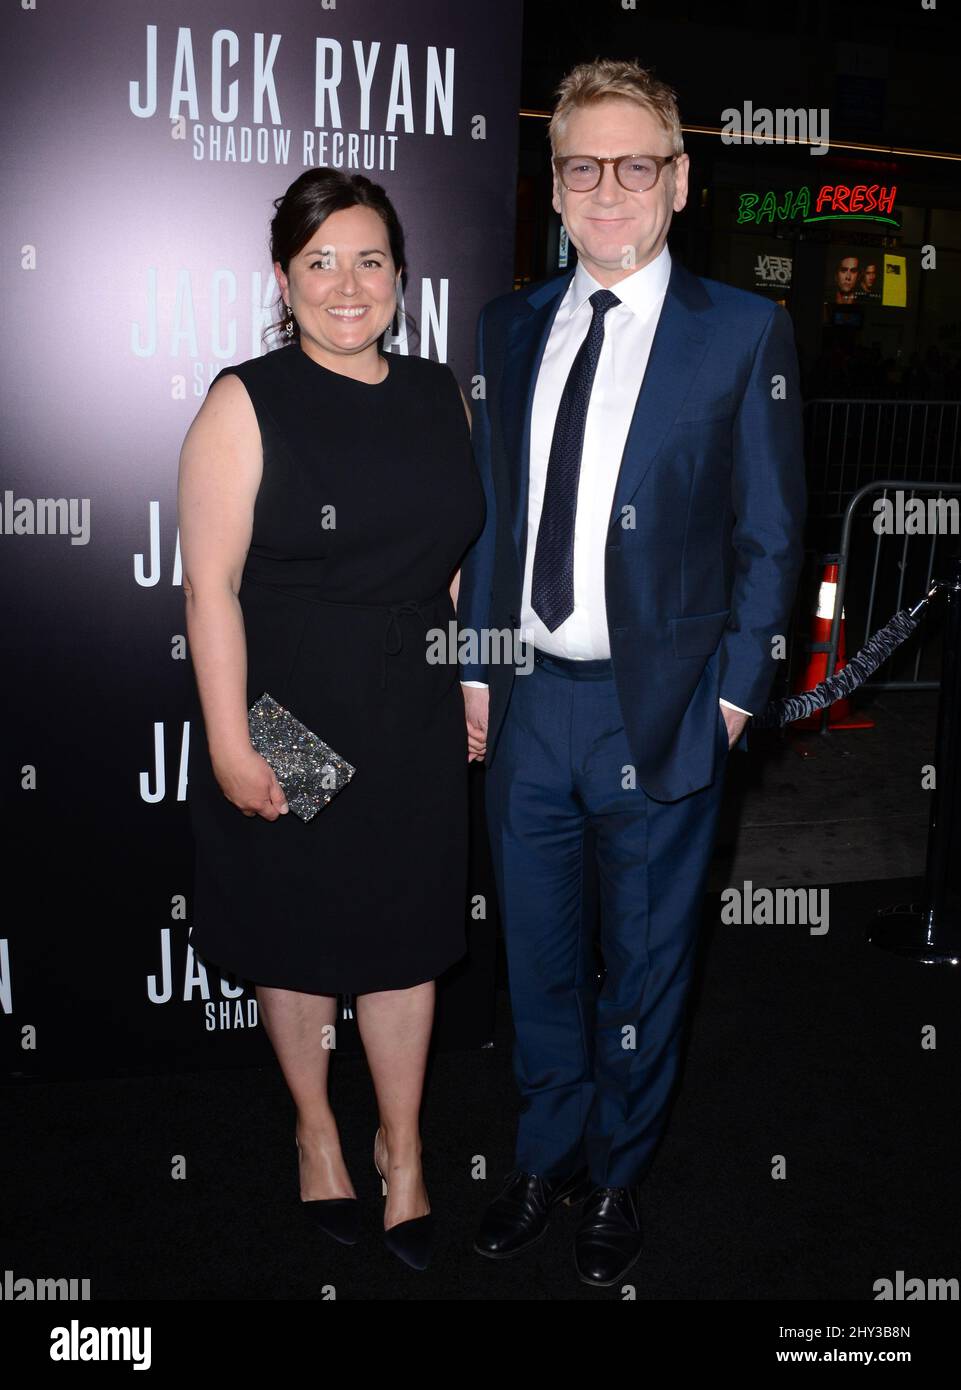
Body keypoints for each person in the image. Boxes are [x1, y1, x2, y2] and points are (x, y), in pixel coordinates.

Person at [458, 59, 806, 1286]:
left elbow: (773, 536)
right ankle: (543, 1156)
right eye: (581, 165)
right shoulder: (505, 328)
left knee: (647, 965)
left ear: (679, 178)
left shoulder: (740, 330)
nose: (608, 189)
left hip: (661, 711)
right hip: (530, 701)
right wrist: (477, 670)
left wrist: (727, 701)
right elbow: (496, 521)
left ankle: (615, 1175)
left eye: (634, 164)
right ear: (553, 186)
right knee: (537, 959)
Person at [177, 168, 484, 1271]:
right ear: (282, 277)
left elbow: (455, 570)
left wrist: (466, 684)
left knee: (406, 942)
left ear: (400, 276)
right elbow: (209, 586)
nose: (346, 285)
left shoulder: (444, 394)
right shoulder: (244, 400)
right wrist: (227, 740)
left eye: (369, 260)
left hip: (410, 710)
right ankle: (317, 1131)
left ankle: (403, 1149)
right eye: (320, 262)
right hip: (290, 714)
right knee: (300, 936)